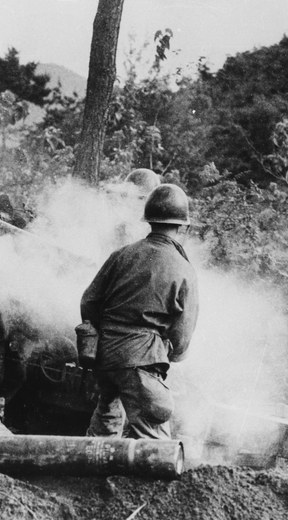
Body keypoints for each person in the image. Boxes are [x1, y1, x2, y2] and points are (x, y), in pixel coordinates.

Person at [81, 183, 200, 439]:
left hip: (105, 357)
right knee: (153, 436)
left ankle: (93, 473)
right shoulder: (183, 268)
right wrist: (172, 353)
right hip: (141, 359)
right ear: (182, 226)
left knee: (106, 421)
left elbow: (89, 301)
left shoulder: (121, 254)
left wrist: (102, 338)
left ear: (149, 221)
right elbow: (183, 331)